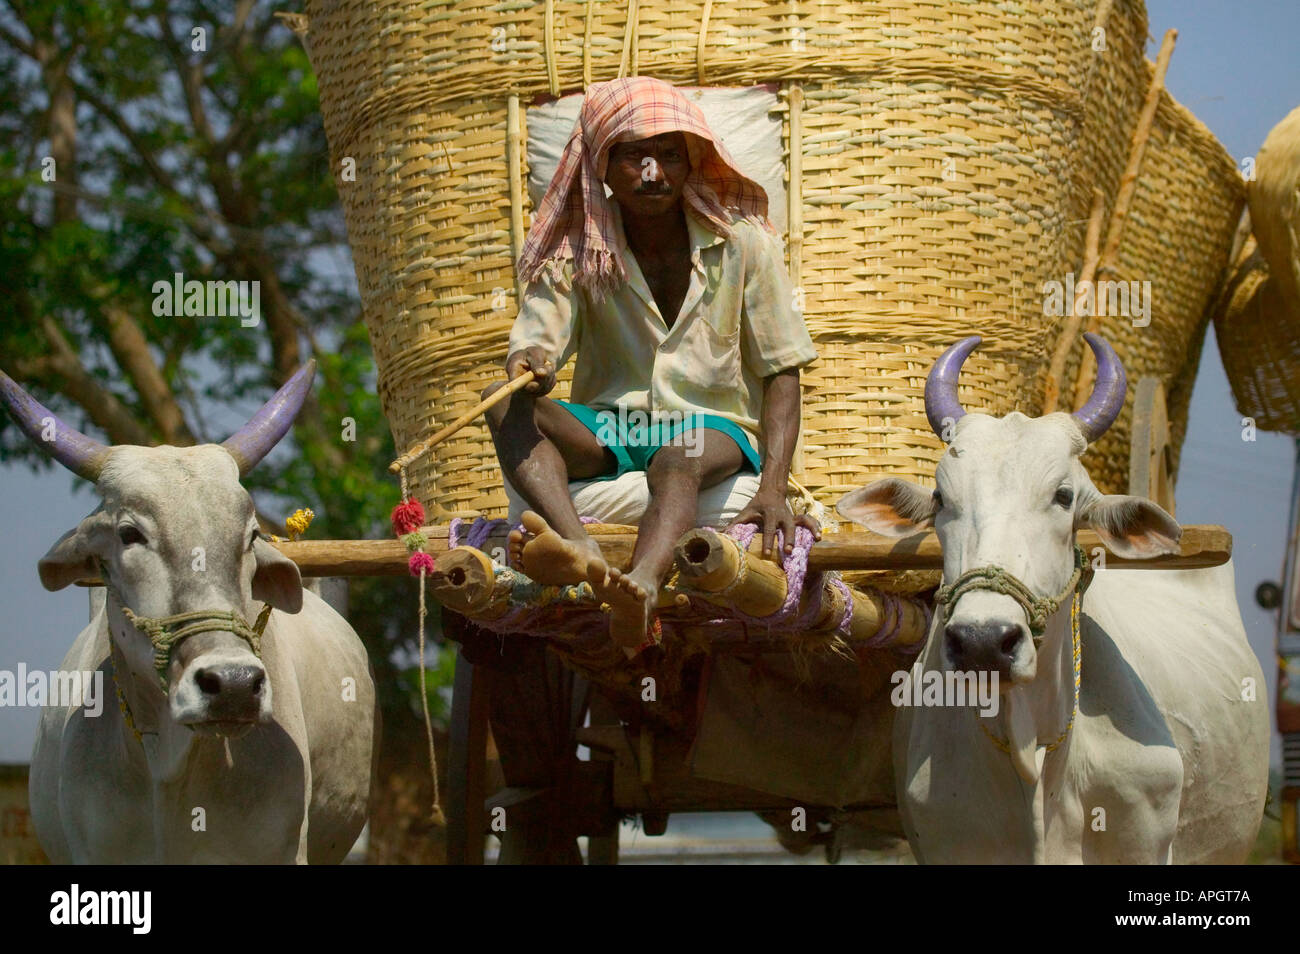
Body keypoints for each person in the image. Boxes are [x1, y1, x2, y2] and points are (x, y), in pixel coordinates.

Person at [484, 76, 819, 655]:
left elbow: (782, 370)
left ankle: (640, 583)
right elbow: (537, 340)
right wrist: (529, 361)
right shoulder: (577, 247)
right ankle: (579, 546)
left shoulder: (744, 243)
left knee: (678, 456)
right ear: (602, 166)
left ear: (692, 164)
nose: (653, 173)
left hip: (712, 431)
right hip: (610, 428)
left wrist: (773, 488)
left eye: (669, 155)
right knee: (505, 397)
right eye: (633, 155)